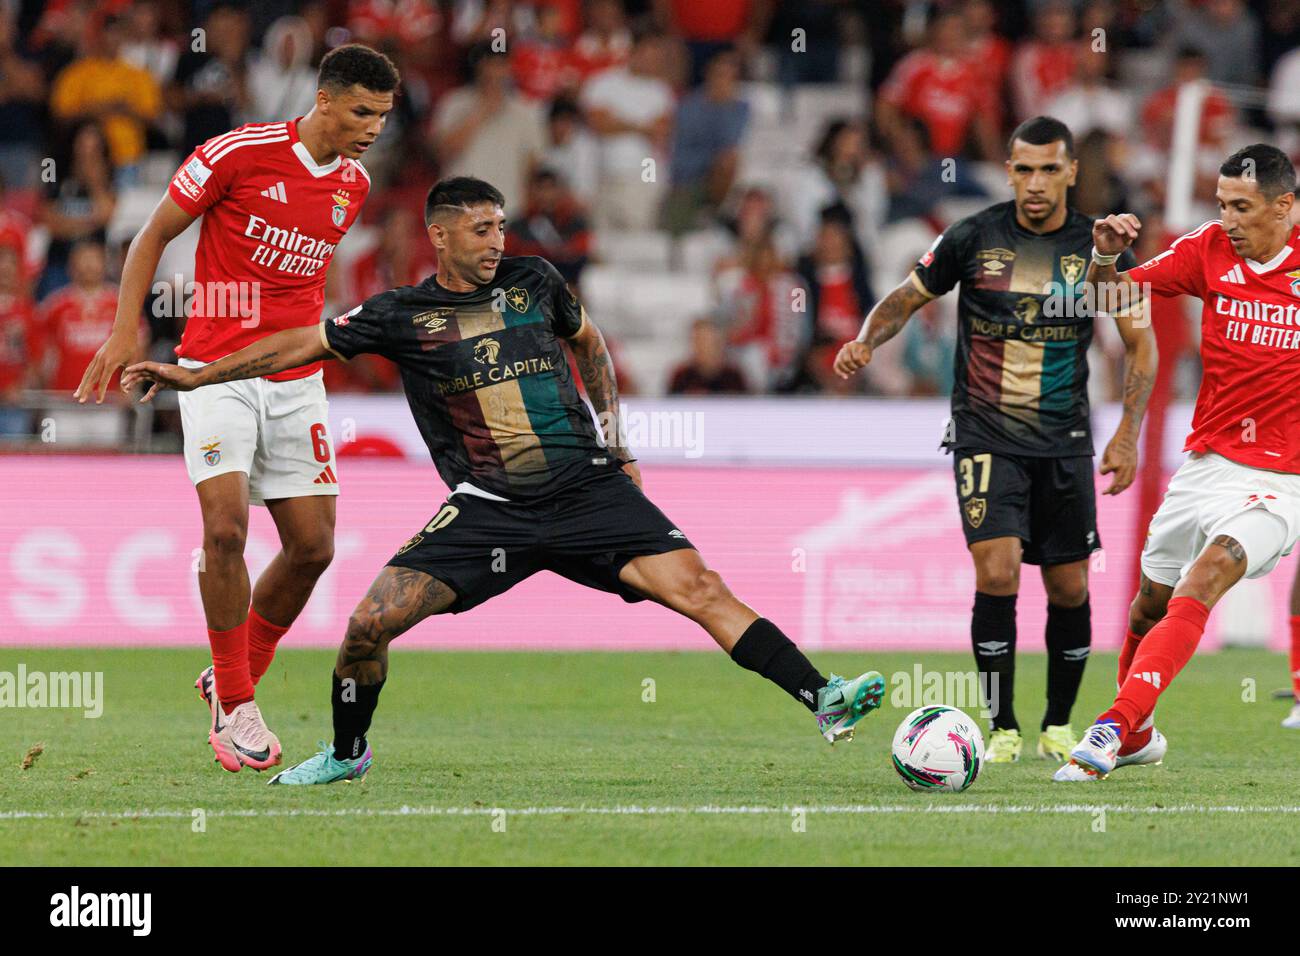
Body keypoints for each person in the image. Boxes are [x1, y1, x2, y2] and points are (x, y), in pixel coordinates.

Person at [121, 176, 885, 785]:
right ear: (441, 233)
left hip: (588, 490)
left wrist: (618, 446)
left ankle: (825, 700)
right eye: (481, 229)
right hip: (489, 510)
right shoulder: (402, 314)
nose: (497, 242)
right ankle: (348, 754)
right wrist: (199, 375)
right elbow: (297, 345)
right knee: (366, 627)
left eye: (501, 227)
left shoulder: (536, 281)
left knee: (702, 589)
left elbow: (591, 346)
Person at [74, 43, 400, 775]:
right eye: (361, 111)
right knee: (225, 529)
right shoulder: (238, 152)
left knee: (314, 547)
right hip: (212, 371)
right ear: (323, 101)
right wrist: (127, 329)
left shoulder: (354, 185)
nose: (373, 127)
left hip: (294, 378)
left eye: (382, 115)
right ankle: (236, 703)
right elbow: (151, 234)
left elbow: (307, 290)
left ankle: (229, 672)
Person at [834, 116, 1157, 763]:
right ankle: (1002, 725)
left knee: (1069, 587)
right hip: (985, 435)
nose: (1034, 183)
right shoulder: (974, 236)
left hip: (1064, 439)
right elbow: (907, 295)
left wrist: (1127, 433)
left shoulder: (1097, 249)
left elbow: (1140, 340)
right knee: (998, 570)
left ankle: (1057, 724)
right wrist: (867, 339)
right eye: (1022, 169)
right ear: (1008, 171)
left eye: (1047, 169)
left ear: (1069, 172)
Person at [1055, 144, 1300, 781]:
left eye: (1242, 208)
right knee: (1148, 606)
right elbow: (1102, 300)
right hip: (1206, 463)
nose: (1229, 221)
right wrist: (1105, 255)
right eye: (1221, 205)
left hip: (1282, 480)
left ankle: (1109, 728)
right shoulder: (1206, 249)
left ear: (1285, 207)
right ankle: (1136, 734)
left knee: (1208, 573)